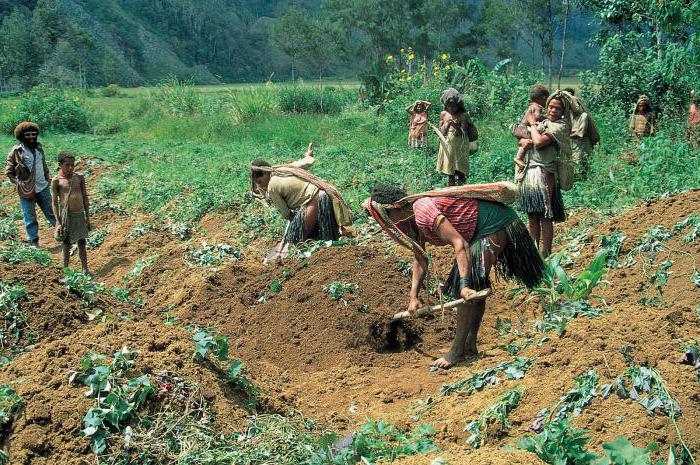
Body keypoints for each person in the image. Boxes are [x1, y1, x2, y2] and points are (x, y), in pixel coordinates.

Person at [364, 182, 544, 368]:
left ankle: (457, 351)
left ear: (396, 209)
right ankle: (469, 345)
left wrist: (465, 285)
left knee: (466, 288)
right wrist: (413, 297)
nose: (390, 223)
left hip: (492, 225)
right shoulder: (410, 221)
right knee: (475, 288)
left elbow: (460, 244)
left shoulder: (424, 213)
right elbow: (420, 259)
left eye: (388, 217)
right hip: (481, 231)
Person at [250, 143, 353, 259]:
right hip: (326, 195)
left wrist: (295, 220)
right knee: (323, 231)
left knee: (296, 236)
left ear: (264, 173)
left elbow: (286, 213)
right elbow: (306, 162)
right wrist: (309, 155)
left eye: (259, 181)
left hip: (315, 199)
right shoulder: (284, 169)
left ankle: (313, 258)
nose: (260, 185)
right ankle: (337, 242)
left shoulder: (272, 186)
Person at [517, 91, 572, 257]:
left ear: (563, 111)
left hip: (544, 173)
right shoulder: (545, 123)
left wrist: (533, 124)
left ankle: (546, 253)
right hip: (529, 172)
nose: (553, 110)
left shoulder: (560, 126)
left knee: (545, 215)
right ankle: (534, 253)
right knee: (532, 215)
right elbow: (524, 135)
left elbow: (539, 142)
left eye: (558, 108)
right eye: (551, 107)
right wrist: (523, 140)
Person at [4, 121, 56, 247]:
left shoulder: (39, 149)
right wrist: (20, 184)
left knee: (51, 212)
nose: (31, 137)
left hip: (42, 186)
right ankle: (34, 241)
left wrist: (47, 177)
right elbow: (9, 172)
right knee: (30, 216)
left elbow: (43, 165)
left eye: (34, 134)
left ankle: (64, 234)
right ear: (22, 136)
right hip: (26, 190)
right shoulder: (17, 151)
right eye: (28, 135)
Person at [51, 152, 91, 273]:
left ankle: (85, 269)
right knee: (66, 243)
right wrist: (58, 222)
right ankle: (66, 269)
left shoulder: (79, 177)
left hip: (79, 214)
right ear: (60, 165)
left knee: (82, 241)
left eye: (72, 165)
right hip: (66, 215)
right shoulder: (56, 181)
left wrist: (88, 216)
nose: (70, 168)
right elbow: (54, 202)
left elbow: (84, 196)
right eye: (67, 165)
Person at [436, 88, 475, 186]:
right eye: (449, 106)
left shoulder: (463, 115)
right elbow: (441, 131)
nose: (452, 109)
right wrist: (447, 125)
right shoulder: (444, 114)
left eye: (454, 106)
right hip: (448, 144)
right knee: (450, 168)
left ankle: (461, 187)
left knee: (460, 168)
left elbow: (463, 133)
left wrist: (456, 126)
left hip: (460, 145)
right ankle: (451, 187)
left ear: (458, 105)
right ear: (446, 106)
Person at [513, 84, 549, 181]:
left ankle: (518, 158)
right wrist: (547, 118)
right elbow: (536, 116)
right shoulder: (537, 107)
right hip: (526, 129)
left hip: (522, 128)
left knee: (525, 143)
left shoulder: (531, 105)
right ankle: (518, 158)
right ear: (544, 97)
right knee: (528, 142)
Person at [563, 87, 600, 179]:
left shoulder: (583, 116)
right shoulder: (568, 116)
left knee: (581, 167)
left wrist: (565, 135)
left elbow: (580, 134)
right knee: (573, 167)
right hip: (573, 145)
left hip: (583, 146)